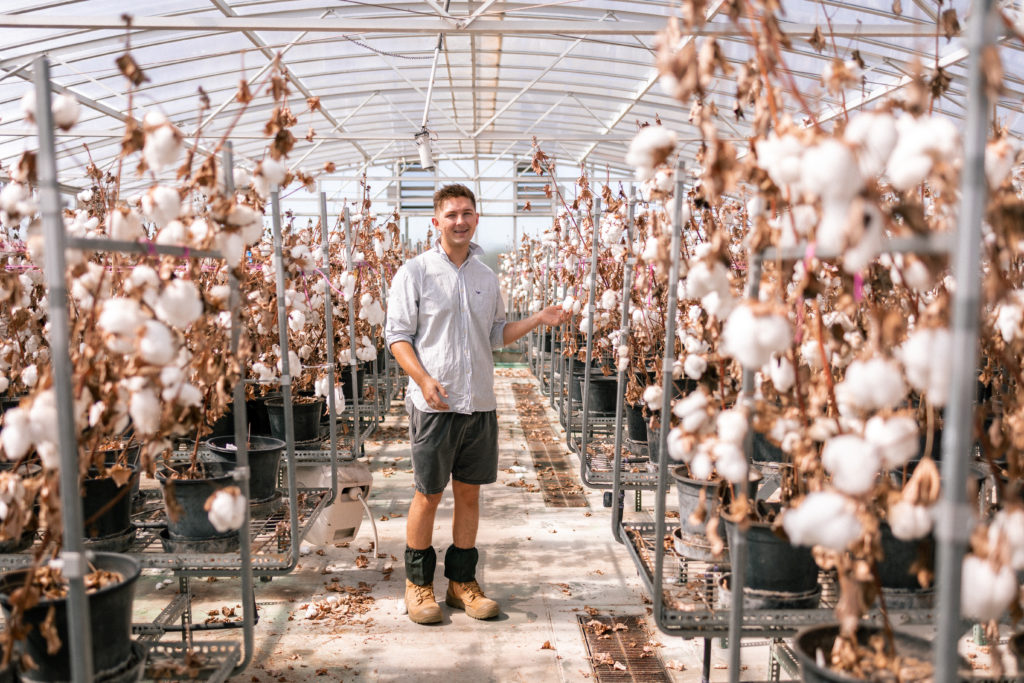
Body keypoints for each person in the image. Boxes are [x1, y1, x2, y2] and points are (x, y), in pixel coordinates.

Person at [385, 184, 567, 624]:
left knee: (469, 494)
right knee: (428, 495)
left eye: (467, 213)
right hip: (435, 406)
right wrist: (424, 379)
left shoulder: (487, 276)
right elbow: (397, 337)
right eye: (451, 214)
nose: (460, 221)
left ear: (476, 217)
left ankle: (461, 584)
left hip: (480, 403)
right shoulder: (416, 272)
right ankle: (418, 585)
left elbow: (496, 335)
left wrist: (537, 319)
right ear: (436, 221)